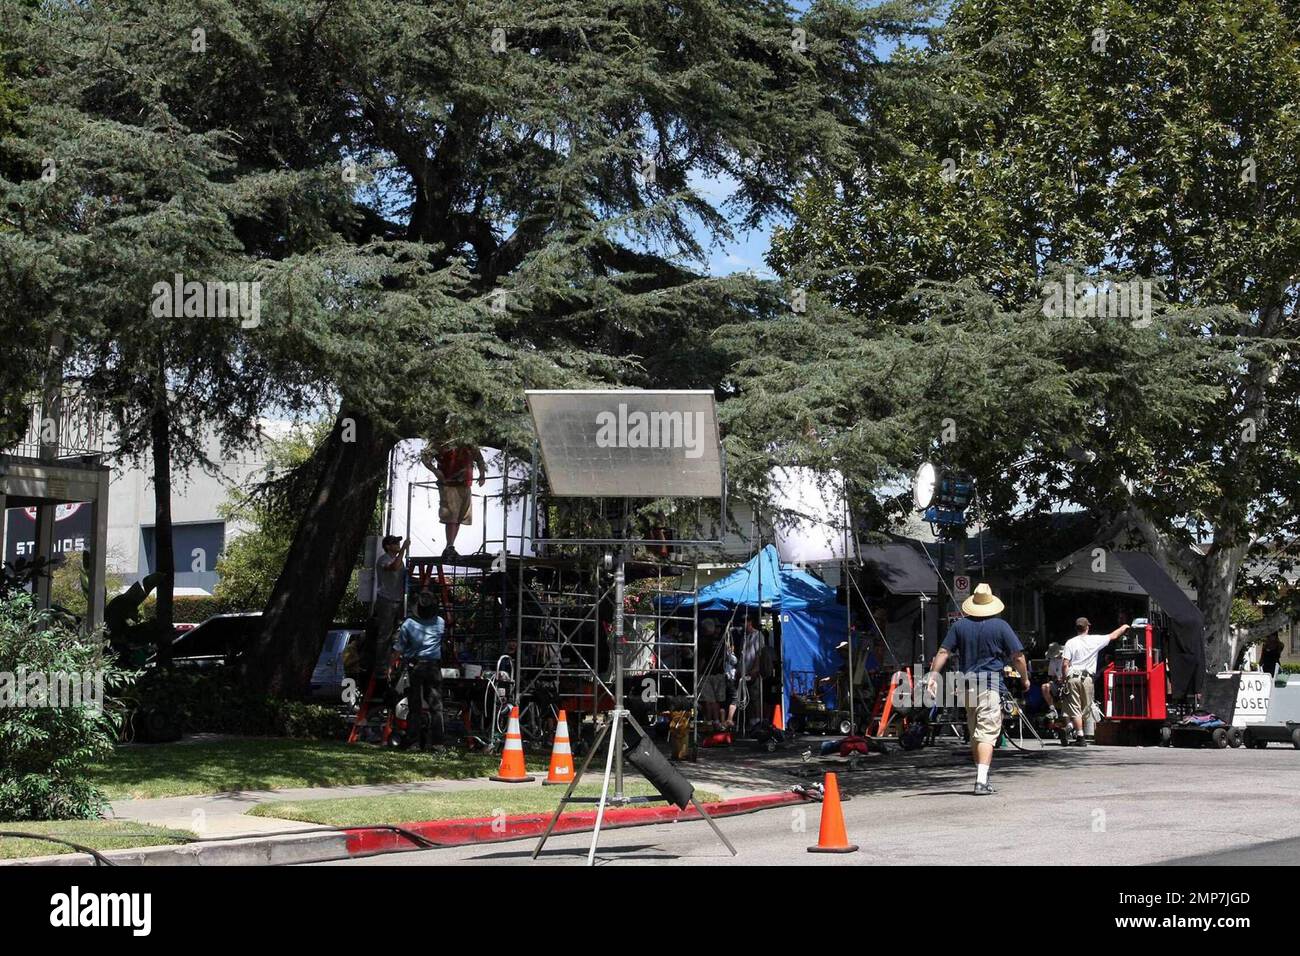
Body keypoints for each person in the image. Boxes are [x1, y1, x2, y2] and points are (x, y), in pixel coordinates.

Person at [926, 583, 1029, 795]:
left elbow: (944, 651)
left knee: (975, 733)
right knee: (987, 733)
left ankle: (983, 776)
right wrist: (1025, 678)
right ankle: (981, 781)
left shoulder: (960, 626)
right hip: (989, 684)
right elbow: (1018, 656)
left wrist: (933, 675)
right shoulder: (1001, 626)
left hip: (966, 686)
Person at [1061, 617, 1128, 747]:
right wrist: (1124, 626)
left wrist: (1064, 679)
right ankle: (1078, 733)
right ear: (1088, 627)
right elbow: (1113, 636)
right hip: (1087, 678)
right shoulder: (1095, 640)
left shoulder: (1070, 642)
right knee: (1086, 707)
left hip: (1073, 677)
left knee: (1074, 708)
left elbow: (1065, 664)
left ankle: (1075, 731)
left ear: (1076, 628)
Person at [397, 590, 446, 751]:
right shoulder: (440, 622)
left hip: (415, 666)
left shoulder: (409, 624)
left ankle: (414, 742)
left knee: (415, 707)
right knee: (436, 706)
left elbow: (399, 648)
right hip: (433, 666)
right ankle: (438, 743)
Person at [428, 444, 486, 558]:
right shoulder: (442, 441)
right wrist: (436, 471)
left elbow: (479, 458)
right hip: (449, 483)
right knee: (452, 517)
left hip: (465, 484)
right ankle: (449, 546)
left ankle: (450, 547)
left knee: (460, 517)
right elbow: (425, 457)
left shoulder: (468, 441)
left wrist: (482, 474)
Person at [372, 535, 409, 664]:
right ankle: (381, 664)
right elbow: (393, 567)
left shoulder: (400, 561)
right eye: (395, 543)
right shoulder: (383, 559)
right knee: (384, 635)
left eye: (399, 543)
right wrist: (404, 549)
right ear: (388, 546)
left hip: (398, 600)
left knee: (397, 634)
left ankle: (392, 662)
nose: (398, 544)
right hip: (386, 600)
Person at [1041, 642, 1066, 719]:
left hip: (1068, 682)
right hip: (1058, 683)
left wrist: (1063, 679)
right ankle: (1052, 709)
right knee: (1045, 687)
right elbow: (1052, 675)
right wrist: (1055, 680)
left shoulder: (1066, 658)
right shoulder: (1052, 661)